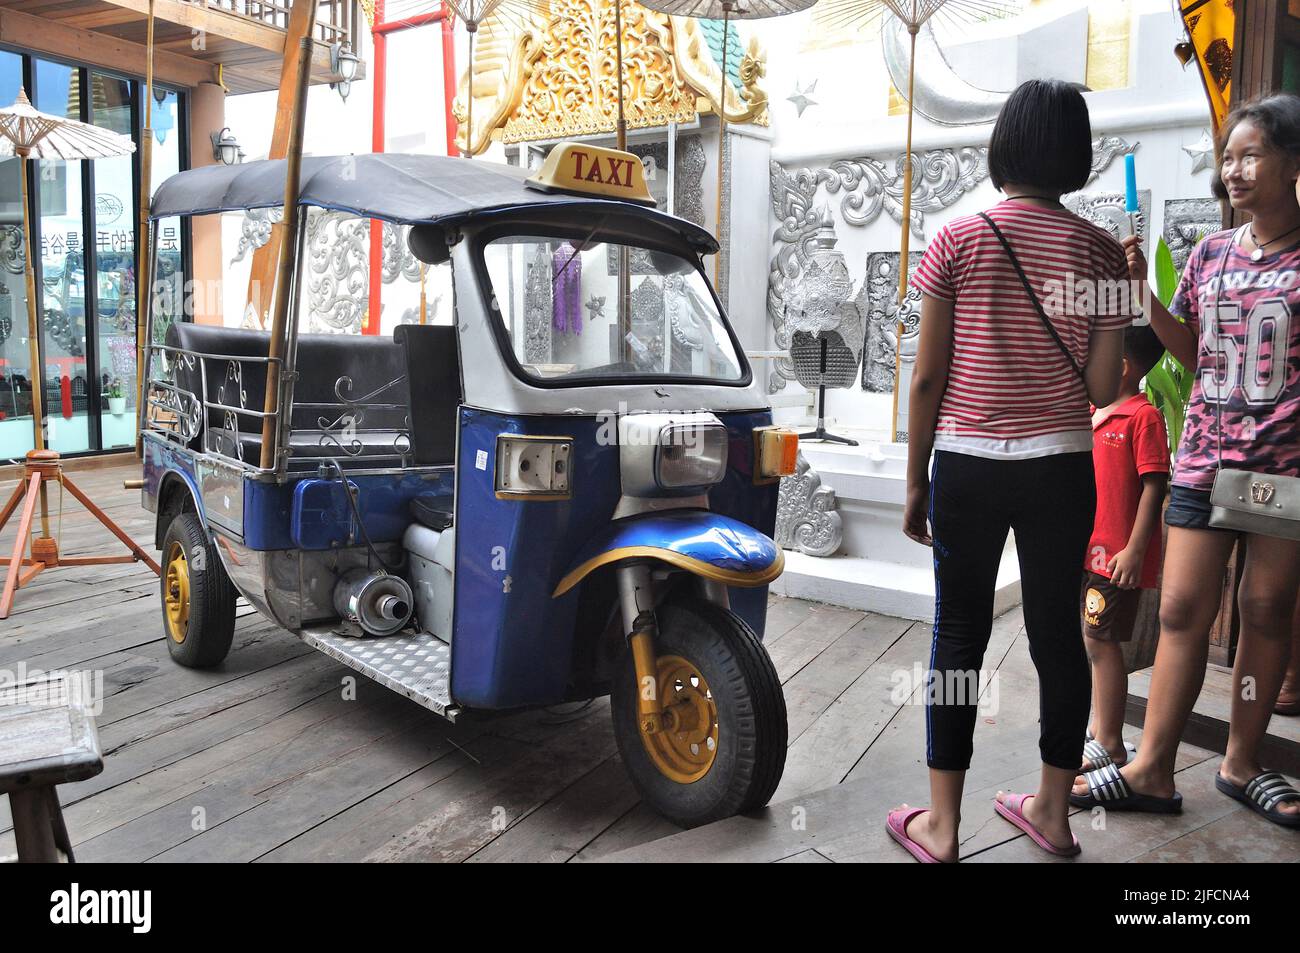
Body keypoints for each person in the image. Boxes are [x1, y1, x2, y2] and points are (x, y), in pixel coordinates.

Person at [886, 79, 1128, 863]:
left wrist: (917, 476)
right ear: (1077, 154)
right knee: (1059, 634)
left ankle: (943, 825)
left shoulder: (957, 240)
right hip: (1061, 466)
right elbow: (1100, 389)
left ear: (1005, 144)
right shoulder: (1099, 253)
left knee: (957, 633)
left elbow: (926, 377)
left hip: (969, 463)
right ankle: (1054, 813)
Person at [1072, 93, 1300, 828]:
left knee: (1265, 610)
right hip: (1205, 457)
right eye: (1228, 156)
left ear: (1292, 161)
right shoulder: (1209, 254)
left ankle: (1241, 761)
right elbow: (1193, 352)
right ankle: (1153, 768)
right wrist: (1142, 296)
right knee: (1178, 609)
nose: (1234, 169)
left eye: (1251, 153)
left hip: (1283, 471)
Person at [1079, 324, 1169, 774]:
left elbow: (1154, 486)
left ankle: (1110, 741)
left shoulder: (1143, 417)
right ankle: (1097, 730)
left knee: (1102, 642)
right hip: (1083, 551)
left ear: (1120, 365)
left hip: (1114, 557)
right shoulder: (1094, 410)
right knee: (1089, 641)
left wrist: (1135, 549)